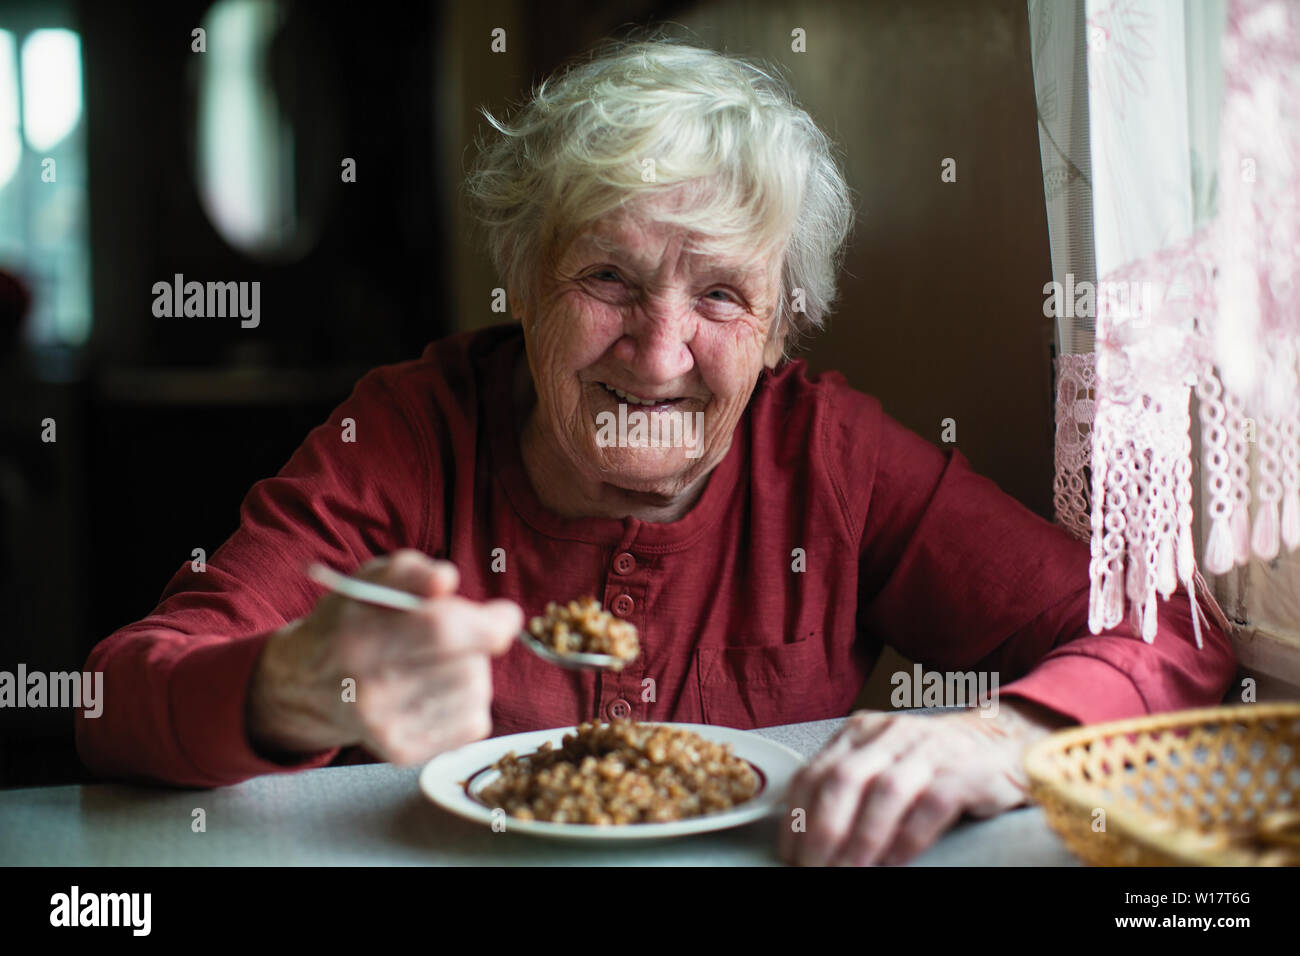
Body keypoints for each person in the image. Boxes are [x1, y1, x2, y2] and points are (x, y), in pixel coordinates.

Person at [76, 38, 1236, 866]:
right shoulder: (405, 433)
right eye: (605, 278)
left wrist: (1003, 736)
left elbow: (1168, 627)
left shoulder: (827, 451)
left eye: (723, 293)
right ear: (524, 286)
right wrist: (288, 682)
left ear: (783, 325)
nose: (661, 348)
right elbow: (115, 694)